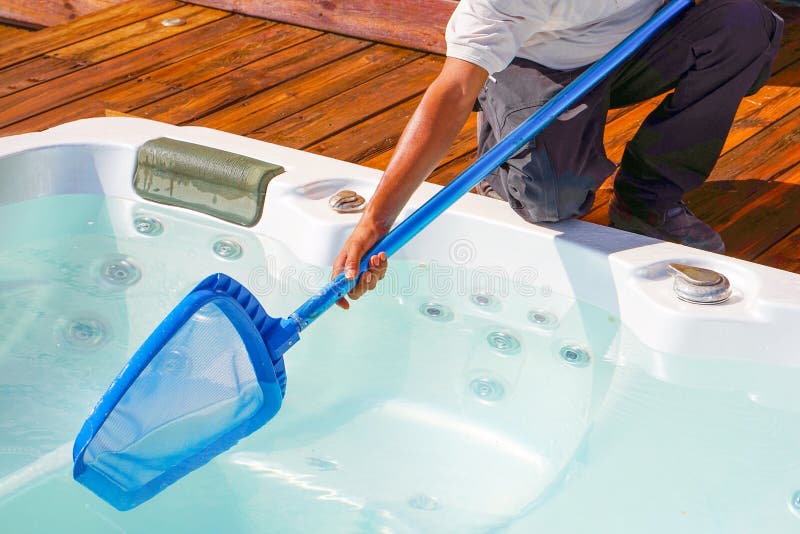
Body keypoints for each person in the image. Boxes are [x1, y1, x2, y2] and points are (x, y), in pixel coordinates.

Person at [331, 0, 784, 309]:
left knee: (744, 27)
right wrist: (376, 219)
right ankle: (504, 152)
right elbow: (451, 91)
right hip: (537, 65)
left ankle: (648, 200)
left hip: (638, 40)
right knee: (549, 199)